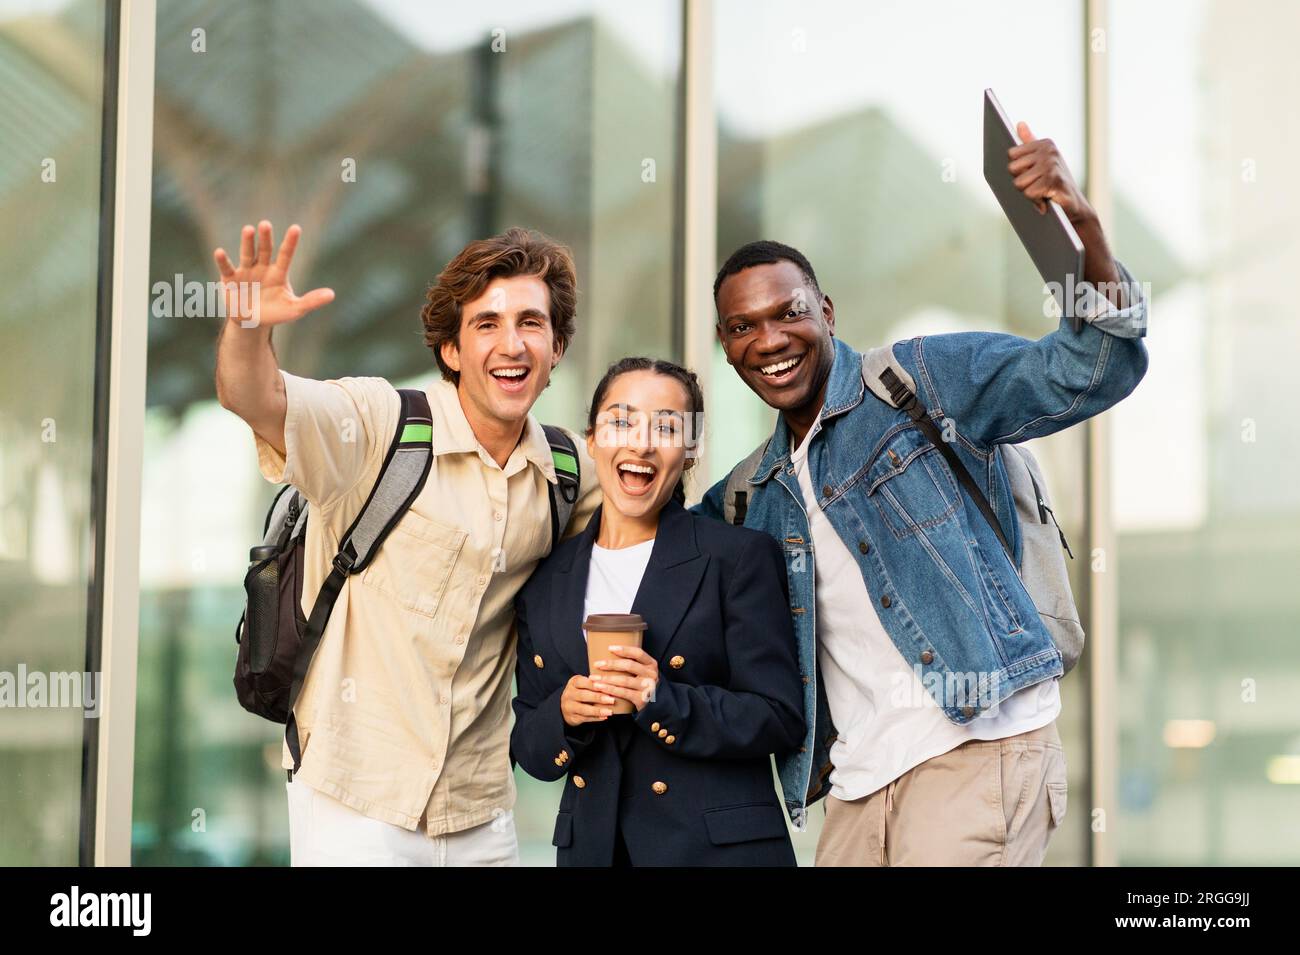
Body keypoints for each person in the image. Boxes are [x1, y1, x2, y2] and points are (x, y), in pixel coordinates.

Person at [694, 122, 1150, 866]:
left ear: (826, 312)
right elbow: (655, 553)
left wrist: (1085, 229)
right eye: (744, 326)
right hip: (857, 786)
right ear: (726, 346)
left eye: (788, 313)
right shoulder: (753, 494)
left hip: (978, 751)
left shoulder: (917, 382)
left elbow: (1093, 365)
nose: (769, 339)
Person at [214, 222, 600, 865]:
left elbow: (650, 515)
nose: (512, 345)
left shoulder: (567, 471)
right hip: (353, 801)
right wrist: (249, 328)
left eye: (531, 323)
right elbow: (255, 397)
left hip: (481, 810)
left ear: (556, 346)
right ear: (451, 349)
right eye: (487, 324)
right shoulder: (377, 427)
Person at [511, 357, 806, 866]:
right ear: (592, 439)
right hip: (595, 852)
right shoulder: (545, 579)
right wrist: (565, 713)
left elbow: (779, 718)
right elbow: (530, 747)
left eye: (667, 428)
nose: (641, 444)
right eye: (620, 422)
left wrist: (662, 699)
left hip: (716, 855)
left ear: (691, 452)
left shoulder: (737, 558)